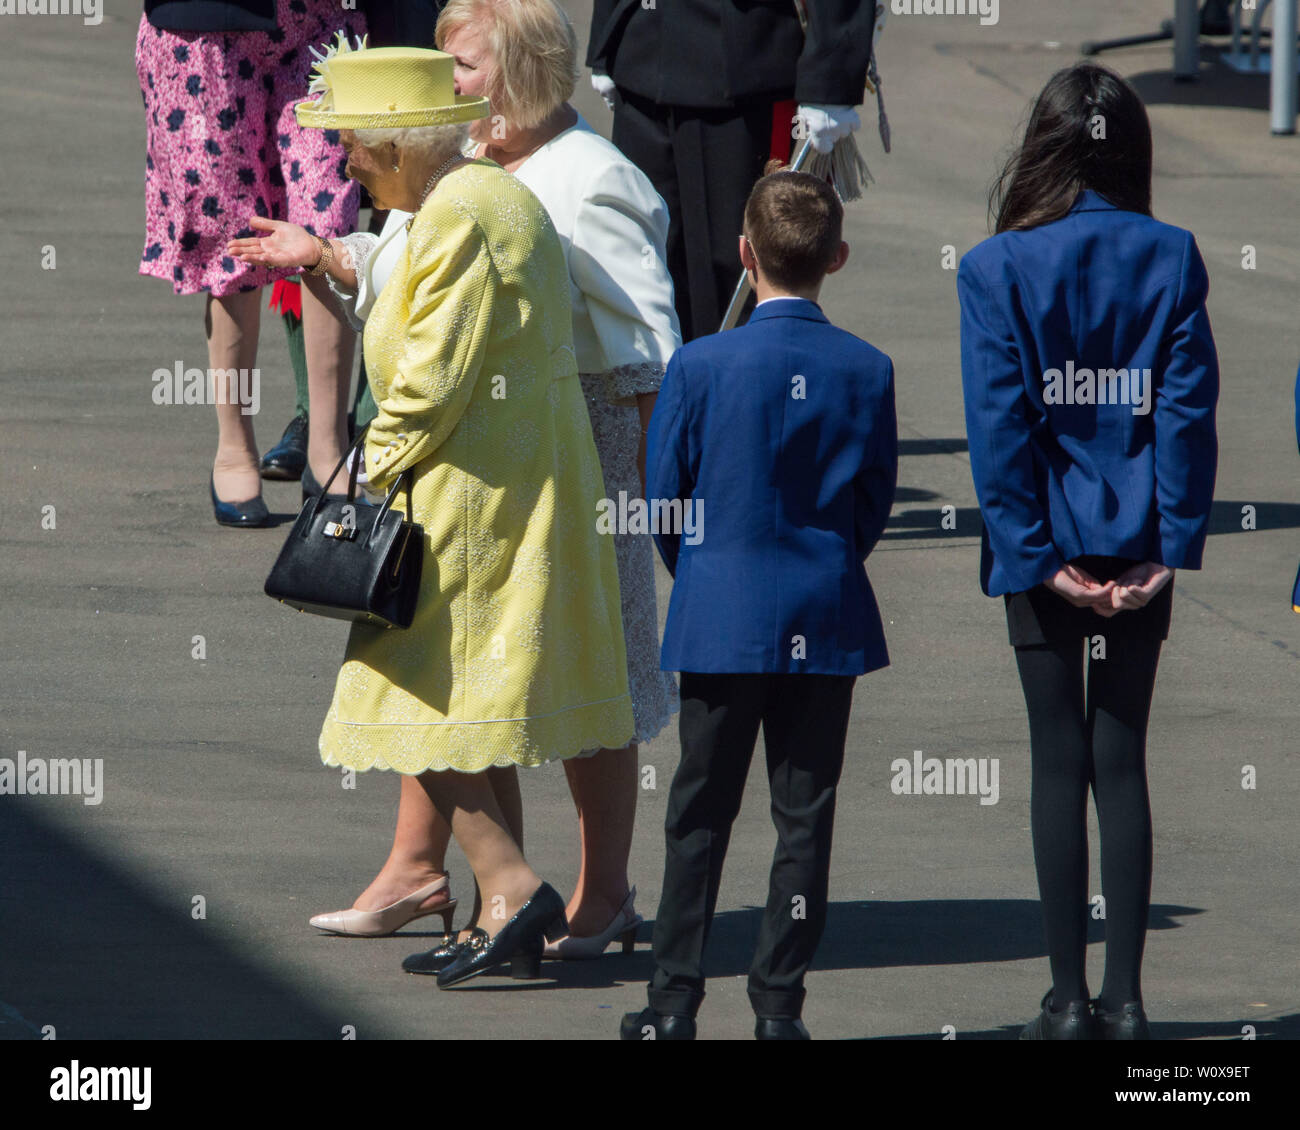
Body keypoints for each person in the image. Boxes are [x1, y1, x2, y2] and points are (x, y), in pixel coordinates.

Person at [232, 0, 682, 963]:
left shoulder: (560, 183)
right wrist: (329, 260)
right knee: (486, 695)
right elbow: (413, 299)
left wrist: (645, 488)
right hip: (485, 464)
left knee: (564, 686)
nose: (345, 163)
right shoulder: (456, 187)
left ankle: (578, 896)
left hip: (550, 464)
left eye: (466, 66)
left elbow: (635, 347)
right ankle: (488, 898)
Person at [958, 63, 1219, 1040]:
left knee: (1055, 761)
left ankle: (1065, 998)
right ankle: (1129, 997)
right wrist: (1171, 542)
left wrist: (1034, 554)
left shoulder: (995, 266)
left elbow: (1000, 426)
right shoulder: (1173, 253)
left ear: (1045, 147)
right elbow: (1185, 412)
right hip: (1138, 542)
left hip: (1045, 549)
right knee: (1122, 762)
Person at [623, 172, 898, 1040]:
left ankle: (673, 1001)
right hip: (825, 607)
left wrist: (701, 571)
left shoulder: (700, 364)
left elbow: (665, 500)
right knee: (803, 818)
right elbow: (871, 505)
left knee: (699, 813)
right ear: (837, 259)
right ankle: (780, 1009)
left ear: (745, 254)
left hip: (720, 610)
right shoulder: (866, 368)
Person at [135, 0, 365, 524]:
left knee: (328, 222)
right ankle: (234, 445)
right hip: (203, 28)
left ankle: (328, 445)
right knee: (231, 237)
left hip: (324, 21)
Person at [587, 0, 877, 341]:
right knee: (641, 259)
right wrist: (608, 28)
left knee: (739, 267)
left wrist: (832, 69)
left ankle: (737, 390)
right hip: (642, 49)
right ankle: (662, 392)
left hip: (744, 60)